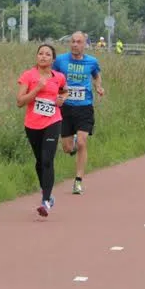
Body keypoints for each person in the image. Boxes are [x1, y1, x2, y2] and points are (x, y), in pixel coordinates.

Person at [17, 43, 69, 217]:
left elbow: (64, 91)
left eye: (47, 54)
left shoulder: (58, 77)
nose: (43, 57)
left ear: (53, 59)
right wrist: (37, 89)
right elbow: (20, 101)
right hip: (32, 124)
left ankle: (45, 201)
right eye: (40, 54)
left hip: (53, 121)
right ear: (36, 57)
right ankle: (47, 192)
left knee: (47, 160)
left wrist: (62, 98)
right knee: (39, 161)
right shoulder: (28, 76)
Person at [53, 31, 105, 195]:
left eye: (79, 42)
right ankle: (72, 142)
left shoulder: (92, 61)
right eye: (73, 41)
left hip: (84, 106)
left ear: (85, 44)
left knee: (82, 142)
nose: (75, 44)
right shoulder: (61, 60)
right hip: (65, 107)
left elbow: (96, 75)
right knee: (68, 148)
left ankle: (78, 180)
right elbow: (52, 76)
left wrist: (98, 87)